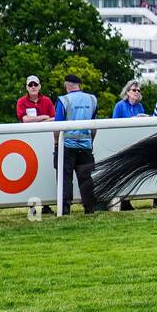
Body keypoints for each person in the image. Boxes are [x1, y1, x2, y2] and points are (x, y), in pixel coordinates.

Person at [112, 80, 157, 210]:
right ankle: (124, 201)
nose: (136, 93)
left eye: (138, 90)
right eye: (134, 90)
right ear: (127, 92)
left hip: (136, 141)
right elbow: (114, 123)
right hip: (123, 141)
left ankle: (153, 198)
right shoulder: (120, 106)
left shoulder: (139, 107)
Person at [54, 74, 98, 215]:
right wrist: (90, 141)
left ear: (66, 85)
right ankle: (89, 208)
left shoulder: (63, 100)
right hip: (85, 145)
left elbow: (57, 127)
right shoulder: (92, 99)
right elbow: (94, 126)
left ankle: (65, 209)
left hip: (67, 145)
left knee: (65, 178)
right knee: (86, 178)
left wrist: (56, 143)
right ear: (80, 85)